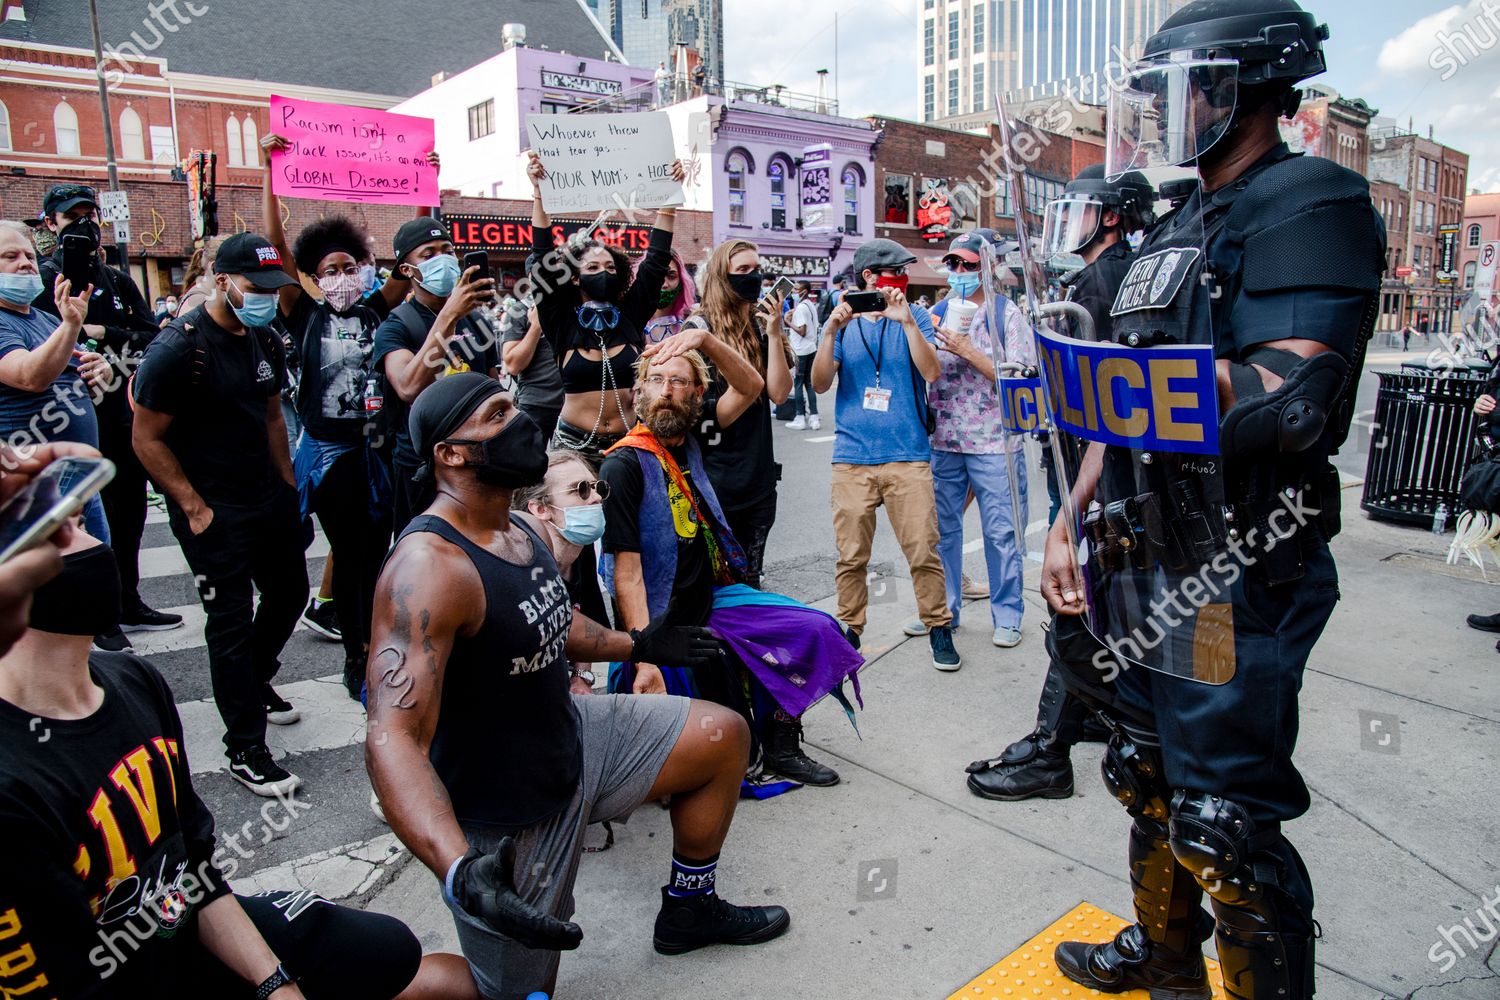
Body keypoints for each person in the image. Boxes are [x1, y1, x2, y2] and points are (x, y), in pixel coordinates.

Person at [1039, 4, 1387, 998]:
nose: (1166, 109)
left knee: (1221, 822)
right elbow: (1124, 393)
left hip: (1228, 564)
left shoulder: (1308, 198)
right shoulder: (1172, 222)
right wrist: (1071, 512)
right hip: (1137, 551)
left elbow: (1293, 394)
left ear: (1249, 90)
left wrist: (1144, 395)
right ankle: (1165, 962)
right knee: (1141, 774)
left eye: (1187, 86)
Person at [366, 372, 790, 999]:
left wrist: (638, 644)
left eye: (515, 407)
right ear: (451, 453)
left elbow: (553, 619)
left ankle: (689, 910)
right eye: (497, 415)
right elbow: (390, 736)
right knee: (510, 992)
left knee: (722, 736)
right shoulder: (430, 569)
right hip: (508, 813)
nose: (521, 424)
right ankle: (335, 979)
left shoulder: (516, 527)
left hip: (573, 738)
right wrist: (461, 869)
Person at [0, 523, 476, 999]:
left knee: (396, 953)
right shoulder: (12, 783)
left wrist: (275, 984)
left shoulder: (133, 679)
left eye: (81, 523)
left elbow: (194, 868)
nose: (93, 545)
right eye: (57, 532)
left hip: (180, 921)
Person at [966, 168, 1154, 801]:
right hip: (1093, 465)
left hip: (1097, 470)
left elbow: (1109, 398)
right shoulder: (1100, 276)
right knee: (1085, 604)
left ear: (1108, 218)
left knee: (1074, 600)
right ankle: (1070, 731)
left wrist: (1074, 507)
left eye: (1078, 211)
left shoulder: (1108, 280)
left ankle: (1052, 749)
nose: (1064, 223)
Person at [601, 345, 858, 786]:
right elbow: (625, 574)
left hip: (714, 597)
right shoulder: (623, 464)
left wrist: (701, 338)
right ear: (639, 390)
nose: (667, 391)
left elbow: (753, 386)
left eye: (679, 381)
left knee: (817, 630)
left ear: (698, 393)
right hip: (662, 622)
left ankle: (781, 743)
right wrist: (646, 657)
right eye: (657, 380)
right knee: (709, 753)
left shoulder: (692, 431)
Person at [132, 232, 311, 798]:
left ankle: (250, 681)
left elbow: (274, 418)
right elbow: (145, 439)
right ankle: (245, 748)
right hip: (212, 509)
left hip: (266, 497)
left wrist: (287, 486)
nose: (264, 297)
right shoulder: (179, 348)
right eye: (255, 288)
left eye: (271, 288)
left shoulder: (265, 338)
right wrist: (192, 506)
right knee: (230, 623)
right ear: (223, 281)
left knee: (290, 595)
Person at [260, 134, 433, 701]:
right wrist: (270, 169)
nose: (340, 276)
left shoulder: (377, 309)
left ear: (363, 268)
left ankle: (371, 645)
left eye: (349, 266)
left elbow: (419, 258)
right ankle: (357, 654)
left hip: (379, 451)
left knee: (380, 555)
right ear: (313, 275)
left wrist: (424, 190)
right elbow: (276, 253)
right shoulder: (301, 312)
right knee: (353, 556)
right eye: (328, 269)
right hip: (332, 456)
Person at [34, 184, 181, 648]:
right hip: (66, 419)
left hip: (119, 414)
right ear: (50, 224)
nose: (82, 224)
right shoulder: (42, 278)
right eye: (70, 216)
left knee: (128, 511)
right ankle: (96, 615)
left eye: (88, 215)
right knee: (80, 519)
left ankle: (128, 598)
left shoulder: (117, 279)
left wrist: (99, 331)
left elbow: (147, 336)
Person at [810, 239, 956, 668]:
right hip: (852, 458)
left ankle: (938, 628)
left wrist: (908, 322)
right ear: (870, 277)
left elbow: (931, 372)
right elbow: (819, 383)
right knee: (851, 555)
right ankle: (850, 629)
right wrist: (831, 331)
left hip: (908, 455)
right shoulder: (842, 323)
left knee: (923, 551)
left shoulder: (917, 316)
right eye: (896, 272)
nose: (904, 280)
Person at [523, 150, 684, 465]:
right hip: (572, 446)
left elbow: (655, 262)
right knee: (580, 516)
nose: (604, 273)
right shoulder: (561, 321)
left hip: (629, 441)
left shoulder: (630, 315)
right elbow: (542, 254)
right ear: (574, 277)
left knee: (628, 515)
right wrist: (539, 193)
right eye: (593, 267)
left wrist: (669, 197)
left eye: (610, 268)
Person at [925, 231, 1034, 656]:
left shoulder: (1008, 316)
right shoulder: (934, 313)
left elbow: (1023, 382)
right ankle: (943, 611)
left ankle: (1007, 614)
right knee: (941, 532)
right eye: (954, 264)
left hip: (995, 442)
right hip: (944, 440)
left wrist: (970, 351)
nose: (960, 273)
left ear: (988, 268)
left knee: (1002, 533)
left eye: (969, 265)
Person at [371, 218, 500, 533]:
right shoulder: (396, 326)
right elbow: (407, 386)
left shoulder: (477, 321)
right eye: (427, 255)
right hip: (423, 470)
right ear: (406, 270)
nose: (441, 259)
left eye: (447, 250)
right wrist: (450, 316)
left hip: (476, 463)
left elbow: (494, 387)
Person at [683, 239, 794, 588]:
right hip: (716, 479)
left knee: (750, 579)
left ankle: (747, 642)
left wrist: (774, 333)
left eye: (757, 269)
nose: (753, 277)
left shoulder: (762, 324)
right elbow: (715, 417)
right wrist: (744, 378)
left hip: (759, 479)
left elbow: (779, 393)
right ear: (721, 277)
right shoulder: (700, 330)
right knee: (718, 582)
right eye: (743, 270)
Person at [0, 221, 114, 544]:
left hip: (79, 482)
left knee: (97, 579)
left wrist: (101, 371)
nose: (25, 262)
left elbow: (81, 377)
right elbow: (30, 376)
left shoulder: (47, 319)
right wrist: (71, 326)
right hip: (34, 489)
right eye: (10, 256)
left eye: (30, 256)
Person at [516, 450, 613, 695]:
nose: (595, 498)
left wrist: (581, 677)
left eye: (596, 487)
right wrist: (640, 647)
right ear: (540, 509)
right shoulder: (520, 565)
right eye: (580, 489)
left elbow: (586, 619)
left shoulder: (581, 548)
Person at [500, 300, 566, 441]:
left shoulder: (573, 306)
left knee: (572, 461)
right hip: (535, 405)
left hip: (573, 407)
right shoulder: (520, 311)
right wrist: (536, 326)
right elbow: (513, 366)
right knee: (530, 461)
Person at [642, 249, 697, 346]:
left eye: (671, 276)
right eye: (657, 276)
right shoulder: (631, 322)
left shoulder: (693, 320)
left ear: (681, 281)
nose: (664, 284)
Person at [787, 282, 822, 430]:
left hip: (801, 350)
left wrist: (787, 321)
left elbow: (802, 330)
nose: (793, 291)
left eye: (796, 289)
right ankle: (814, 417)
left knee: (799, 383)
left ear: (804, 291)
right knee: (808, 383)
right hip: (811, 348)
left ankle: (800, 417)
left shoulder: (801, 307)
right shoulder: (809, 304)